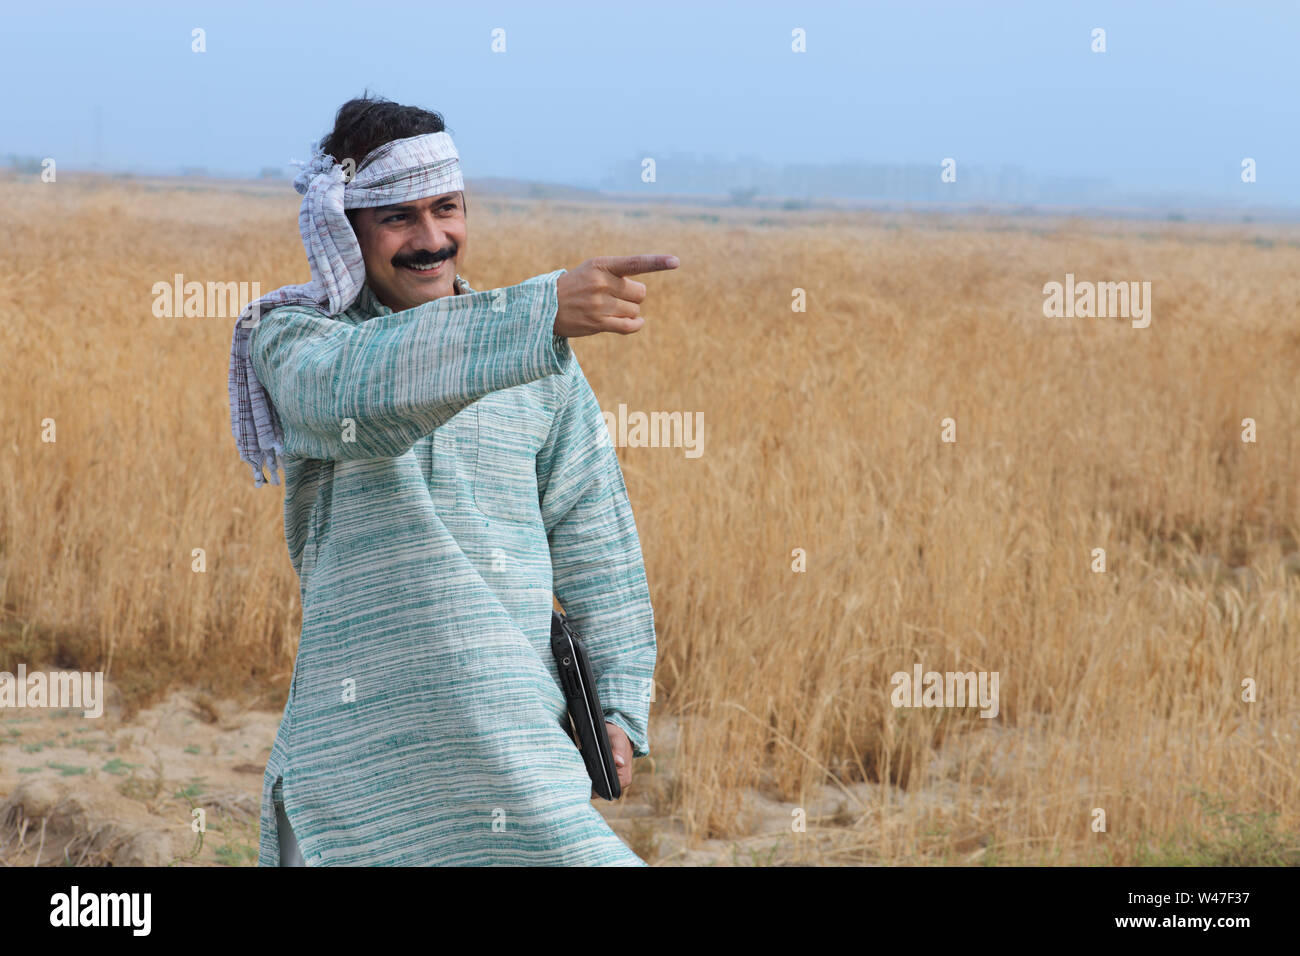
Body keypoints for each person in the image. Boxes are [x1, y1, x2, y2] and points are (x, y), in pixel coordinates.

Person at [226, 94, 678, 865]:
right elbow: (353, 391)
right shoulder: (295, 339)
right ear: (347, 230)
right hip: (356, 758)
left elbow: (596, 537)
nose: (432, 239)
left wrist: (619, 706)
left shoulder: (538, 368)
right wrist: (537, 312)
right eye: (399, 218)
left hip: (514, 743)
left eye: (447, 208)